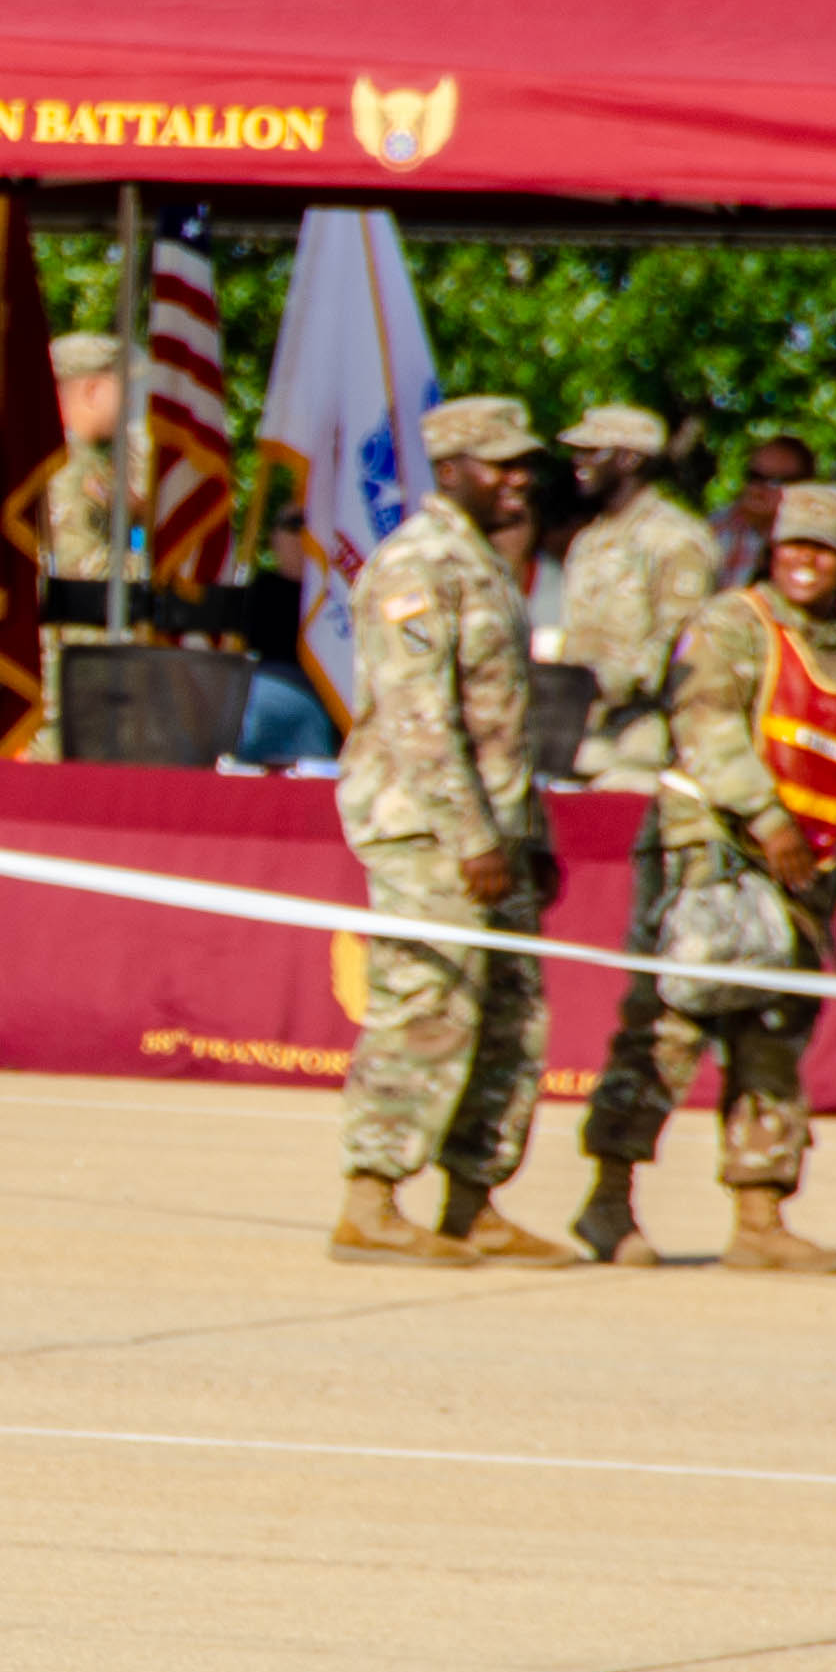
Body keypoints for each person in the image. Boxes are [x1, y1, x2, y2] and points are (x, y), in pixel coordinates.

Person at [573, 483, 836, 1273]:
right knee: (669, 1026)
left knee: (774, 1040)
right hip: (708, 861)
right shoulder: (730, 624)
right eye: (794, 546)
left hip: (801, 881)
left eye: (825, 550)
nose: (807, 563)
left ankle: (760, 1216)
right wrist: (767, 820)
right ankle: (609, 1201)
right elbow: (707, 725)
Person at [329, 397, 584, 1269]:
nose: (517, 479)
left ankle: (473, 1202)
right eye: (498, 464)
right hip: (428, 833)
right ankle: (373, 1198)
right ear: (449, 470)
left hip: (496, 832)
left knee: (513, 1018)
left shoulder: (484, 563)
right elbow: (419, 720)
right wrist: (470, 836)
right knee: (428, 1008)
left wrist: (528, 836)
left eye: (523, 464)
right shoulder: (417, 564)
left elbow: (506, 725)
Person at [556, 404, 719, 789]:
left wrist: (607, 679)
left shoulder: (675, 538)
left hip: (637, 747)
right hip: (577, 740)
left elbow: (680, 645)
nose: (579, 461)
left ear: (630, 459)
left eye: (593, 451)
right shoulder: (589, 539)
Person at [35, 330, 129, 757]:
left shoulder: (58, 458)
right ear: (92, 388)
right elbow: (79, 572)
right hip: (66, 685)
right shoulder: (70, 467)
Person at [707, 433, 819, 594]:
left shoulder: (818, 546)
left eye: (777, 482)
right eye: (755, 477)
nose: (760, 489)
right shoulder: (713, 531)